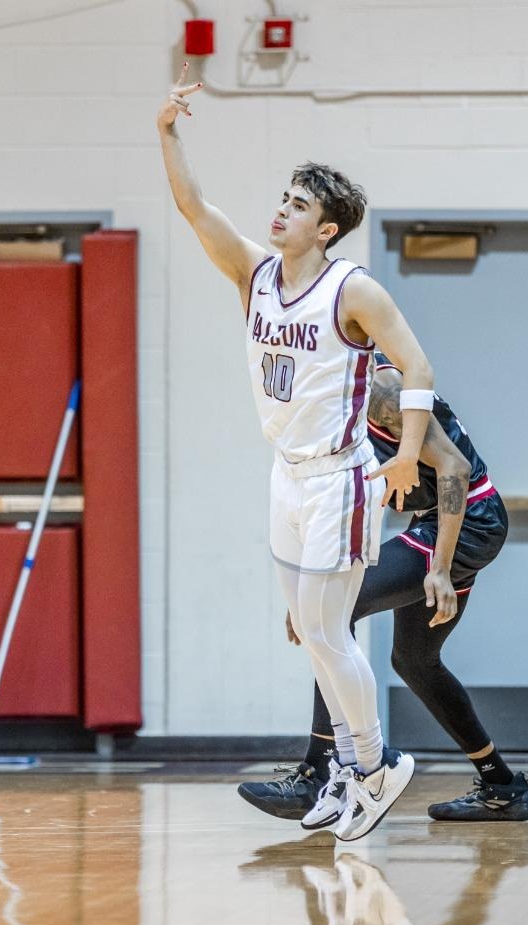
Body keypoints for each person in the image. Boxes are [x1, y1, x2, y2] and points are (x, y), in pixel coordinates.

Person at [158, 64, 434, 840]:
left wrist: (406, 453)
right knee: (308, 632)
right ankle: (350, 768)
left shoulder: (354, 292)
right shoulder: (254, 272)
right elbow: (191, 205)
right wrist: (167, 130)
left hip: (341, 479)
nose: (281, 211)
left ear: (328, 229)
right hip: (284, 476)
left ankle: (376, 768)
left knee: (325, 630)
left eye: (299, 206)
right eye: (283, 199)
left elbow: (417, 367)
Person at [238, 361, 528, 821]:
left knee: (341, 607)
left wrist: (440, 568)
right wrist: (308, 587)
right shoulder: (334, 399)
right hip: (434, 521)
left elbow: (454, 468)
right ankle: (503, 786)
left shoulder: (381, 388)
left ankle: (318, 774)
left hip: (468, 520)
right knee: (414, 660)